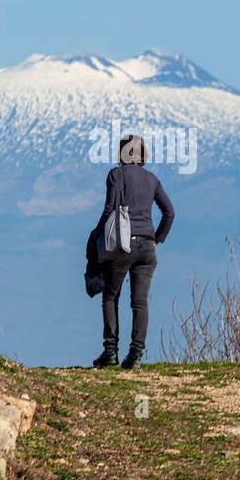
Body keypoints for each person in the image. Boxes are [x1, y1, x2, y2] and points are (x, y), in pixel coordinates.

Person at [91, 135, 175, 369]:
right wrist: (158, 239)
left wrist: (97, 235)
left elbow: (110, 209)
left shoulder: (115, 175)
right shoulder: (152, 179)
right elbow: (170, 212)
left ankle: (110, 352)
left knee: (110, 295)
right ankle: (135, 355)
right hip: (148, 248)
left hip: (122, 245)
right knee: (140, 302)